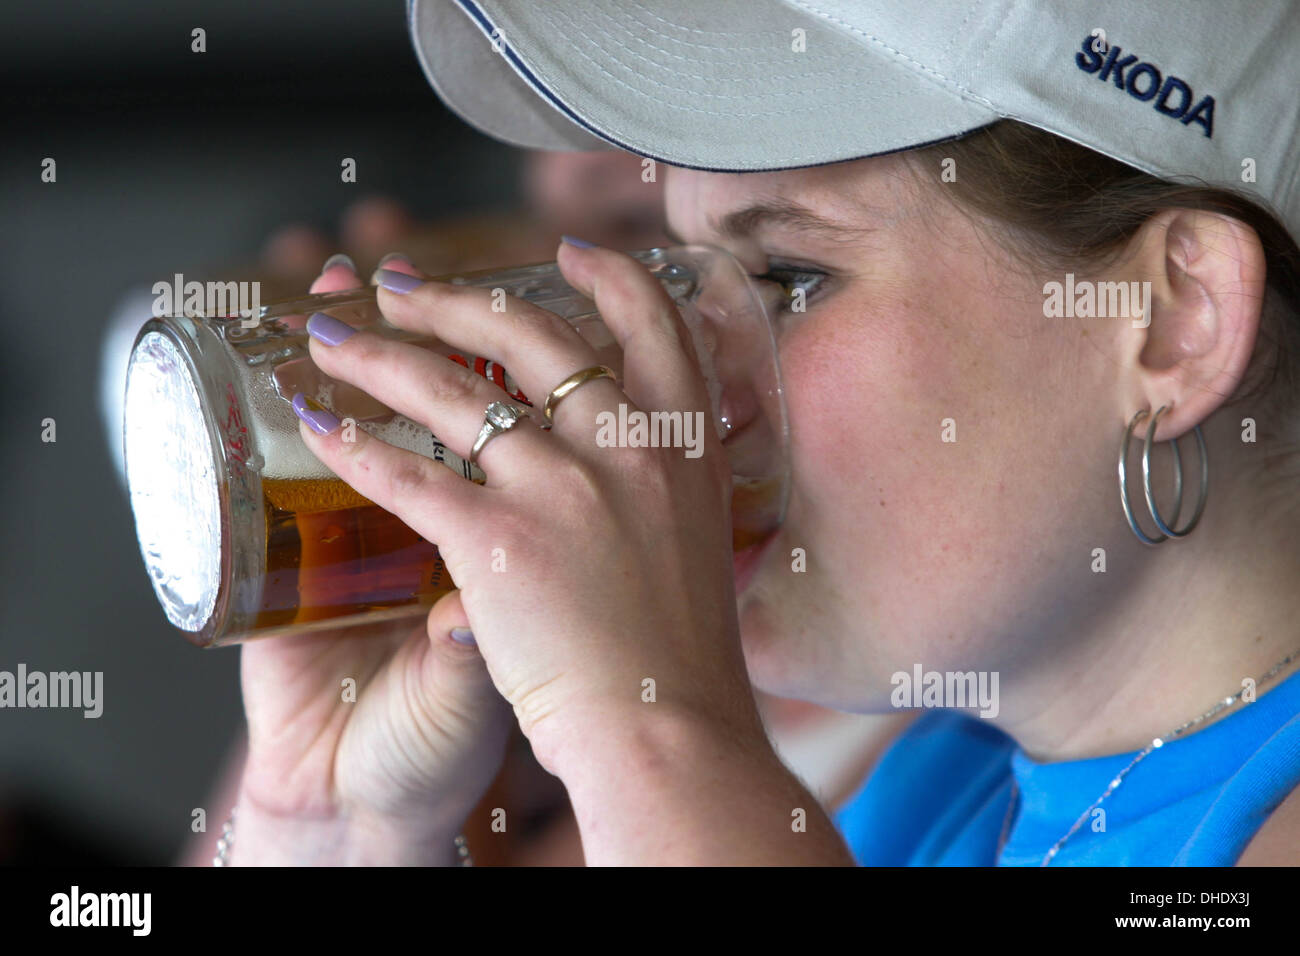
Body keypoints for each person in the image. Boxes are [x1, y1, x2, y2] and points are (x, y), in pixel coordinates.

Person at [226, 1, 1300, 865]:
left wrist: (654, 734)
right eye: (686, 282)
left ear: (1171, 318)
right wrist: (329, 835)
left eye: (789, 280)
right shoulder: (946, 787)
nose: (686, 396)